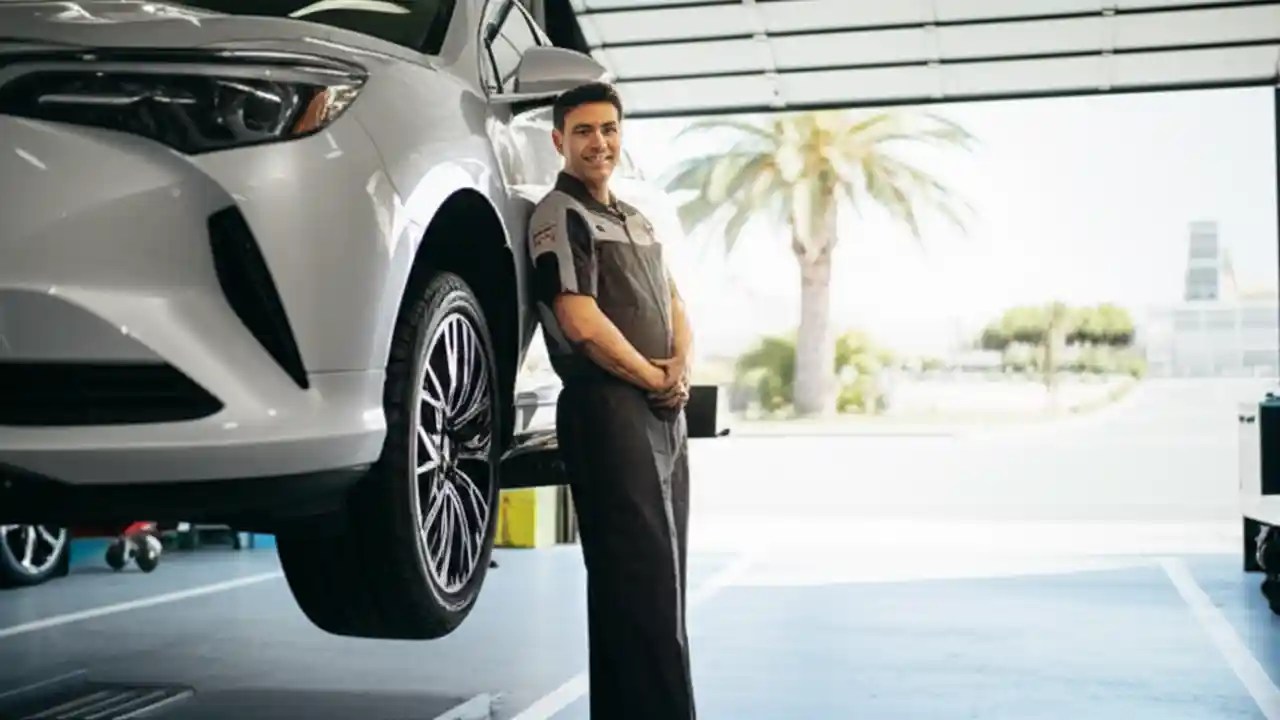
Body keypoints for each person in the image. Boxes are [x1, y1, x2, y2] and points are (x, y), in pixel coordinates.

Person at [527, 81, 697, 720]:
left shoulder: (637, 218)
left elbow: (675, 301)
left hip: (662, 412)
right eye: (583, 132)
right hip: (609, 411)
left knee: (666, 581)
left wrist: (679, 366)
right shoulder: (558, 214)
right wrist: (653, 380)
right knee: (638, 585)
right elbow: (580, 320)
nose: (599, 143)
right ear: (558, 140)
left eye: (608, 130)